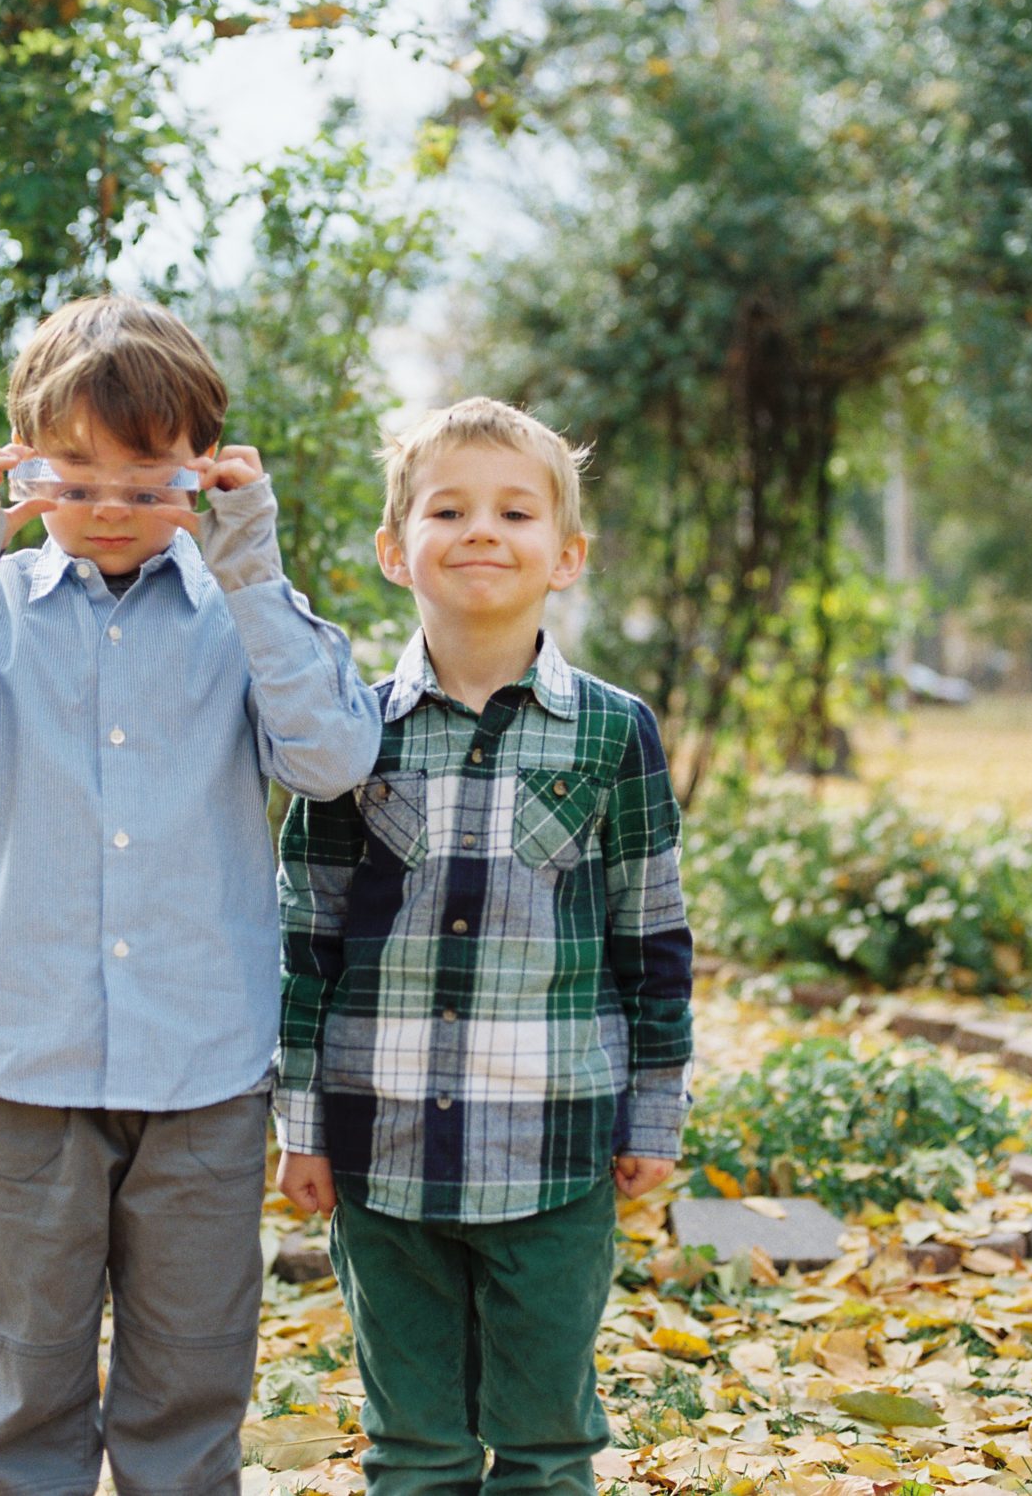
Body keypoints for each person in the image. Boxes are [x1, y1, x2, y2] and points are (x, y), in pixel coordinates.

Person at [0, 295, 382, 1496]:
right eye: (73, 473)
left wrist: (254, 572)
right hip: (24, 1069)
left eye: (146, 477)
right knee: (23, 1380)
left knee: (189, 1379)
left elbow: (334, 759)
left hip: (202, 1074)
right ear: (21, 463)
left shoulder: (251, 618)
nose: (109, 506)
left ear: (205, 468)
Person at [273, 396, 695, 1496]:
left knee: (548, 1445)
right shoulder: (349, 731)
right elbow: (306, 934)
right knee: (415, 1447)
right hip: (382, 1148)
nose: (479, 532)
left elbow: (650, 932)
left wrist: (652, 1110)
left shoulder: (612, 732)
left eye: (513, 512)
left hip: (554, 1149)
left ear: (565, 556)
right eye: (447, 509)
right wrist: (301, 1124)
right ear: (392, 549)